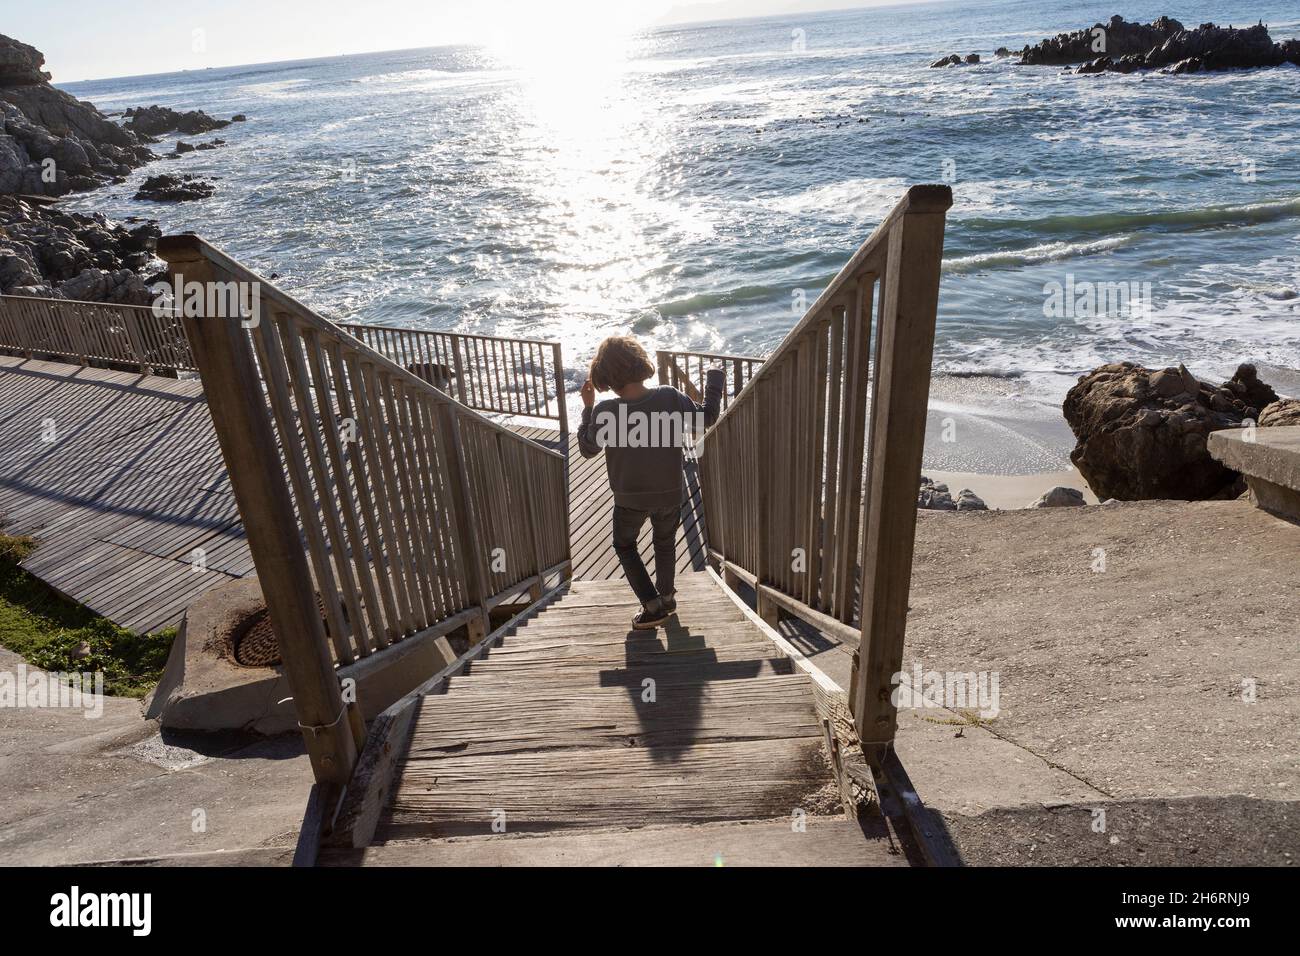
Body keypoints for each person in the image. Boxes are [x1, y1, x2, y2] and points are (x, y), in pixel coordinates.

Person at [578, 336, 722, 629]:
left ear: (606, 377)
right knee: (665, 543)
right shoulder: (669, 396)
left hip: (629, 498)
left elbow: (587, 449)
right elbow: (706, 418)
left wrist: (588, 409)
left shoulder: (606, 412)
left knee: (624, 545)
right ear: (639, 362)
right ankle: (666, 598)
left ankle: (651, 604)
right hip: (669, 493)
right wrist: (715, 379)